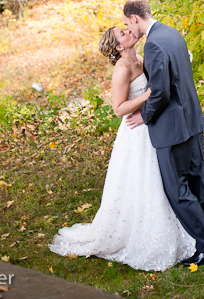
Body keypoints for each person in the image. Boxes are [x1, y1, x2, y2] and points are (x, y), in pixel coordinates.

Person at [48, 26, 195, 271]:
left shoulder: (140, 58)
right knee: (144, 180)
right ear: (118, 47)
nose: (129, 32)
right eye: (123, 34)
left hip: (150, 125)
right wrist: (147, 96)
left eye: (127, 29)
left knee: (161, 176)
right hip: (135, 131)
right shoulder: (122, 69)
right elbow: (118, 108)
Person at [122, 0, 204, 268]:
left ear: (134, 18)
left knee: (177, 190)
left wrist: (144, 116)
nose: (127, 29)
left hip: (171, 128)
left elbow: (161, 92)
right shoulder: (172, 33)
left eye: (126, 24)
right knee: (196, 180)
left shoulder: (153, 44)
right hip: (191, 120)